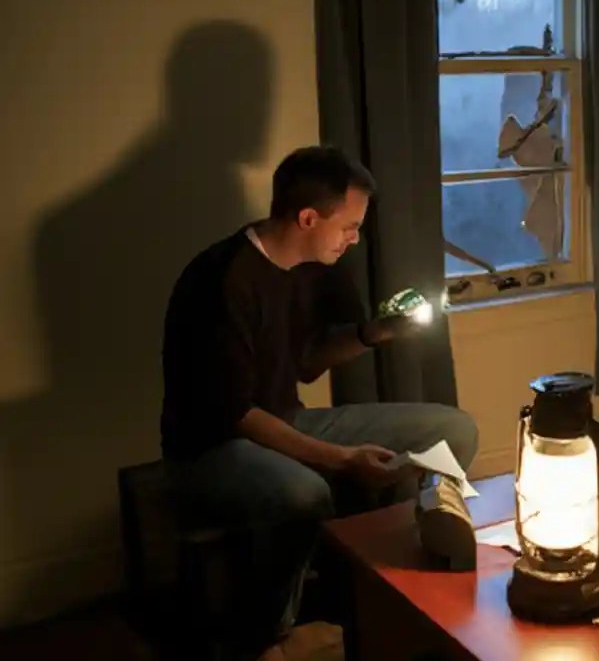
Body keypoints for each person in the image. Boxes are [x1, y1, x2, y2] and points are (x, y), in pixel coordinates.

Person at [160, 146, 479, 660]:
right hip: (213, 447)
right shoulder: (221, 280)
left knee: (454, 429)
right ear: (308, 218)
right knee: (305, 492)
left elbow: (307, 362)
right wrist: (342, 459)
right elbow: (237, 413)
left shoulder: (316, 266)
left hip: (286, 419)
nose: (354, 238)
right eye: (349, 226)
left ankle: (397, 582)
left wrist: (374, 334)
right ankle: (267, 638)